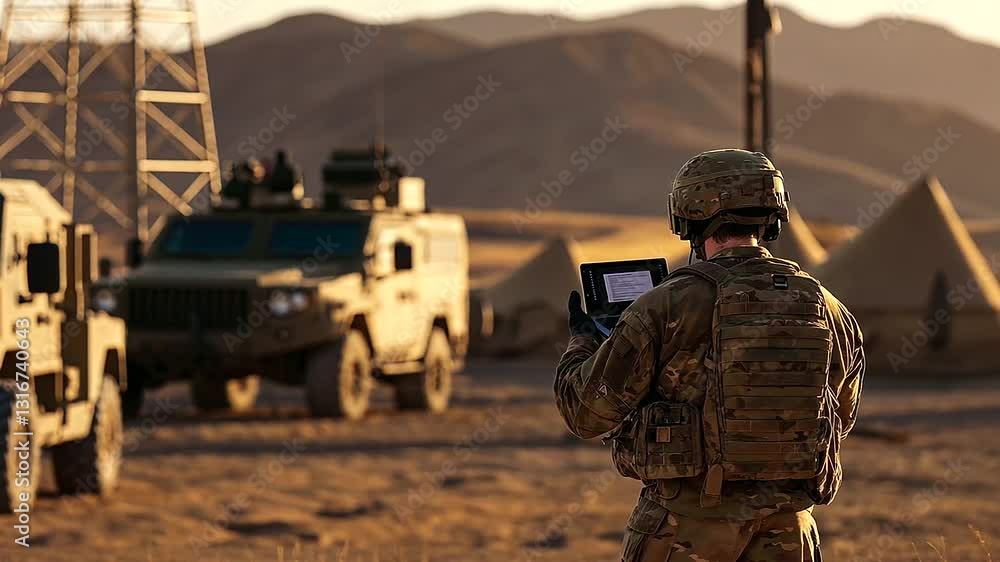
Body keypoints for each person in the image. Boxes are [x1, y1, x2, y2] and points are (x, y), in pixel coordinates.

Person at [554, 149, 865, 562]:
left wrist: (583, 341)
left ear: (690, 215)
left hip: (686, 531)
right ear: (773, 215)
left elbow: (586, 414)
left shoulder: (662, 305)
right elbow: (840, 418)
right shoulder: (828, 307)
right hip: (791, 534)